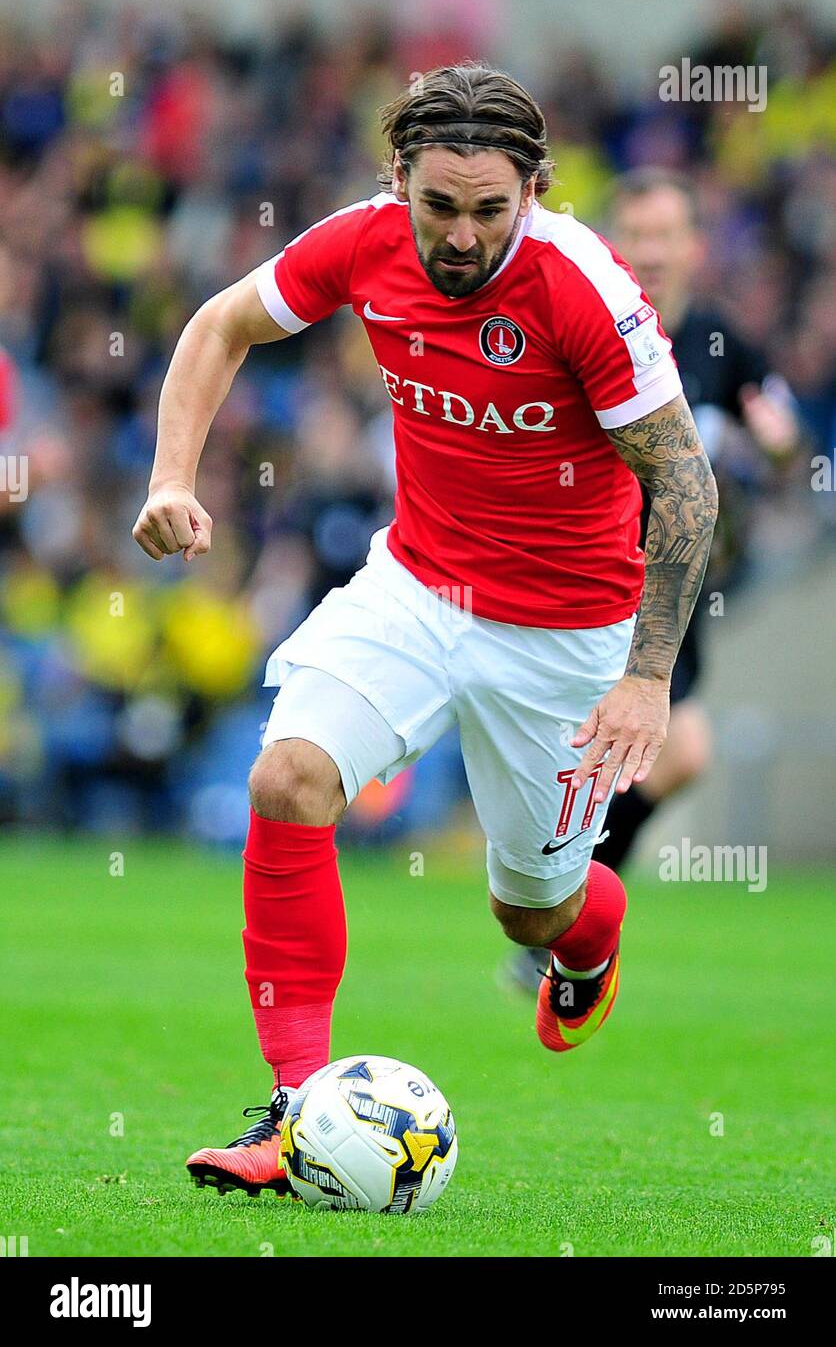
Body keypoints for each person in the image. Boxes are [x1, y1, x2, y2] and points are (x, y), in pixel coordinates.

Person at [132, 64, 718, 1199]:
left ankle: (588, 934)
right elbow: (220, 325)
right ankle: (297, 1110)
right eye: (437, 205)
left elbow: (684, 489)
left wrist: (647, 679)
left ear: (534, 190)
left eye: (489, 210)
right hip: (415, 585)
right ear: (395, 177)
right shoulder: (359, 242)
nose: (459, 236)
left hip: (562, 631)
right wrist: (170, 476)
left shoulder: (583, 289)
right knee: (288, 777)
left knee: (529, 905)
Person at [505, 167, 799, 996]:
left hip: (670, 587)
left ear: (695, 246)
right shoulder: (586, 326)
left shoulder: (717, 341)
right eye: (638, 234)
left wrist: (778, 441)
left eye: (668, 235)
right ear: (614, 243)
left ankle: (559, 915)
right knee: (623, 758)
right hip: (584, 580)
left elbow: (781, 438)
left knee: (675, 757)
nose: (653, 251)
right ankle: (554, 919)